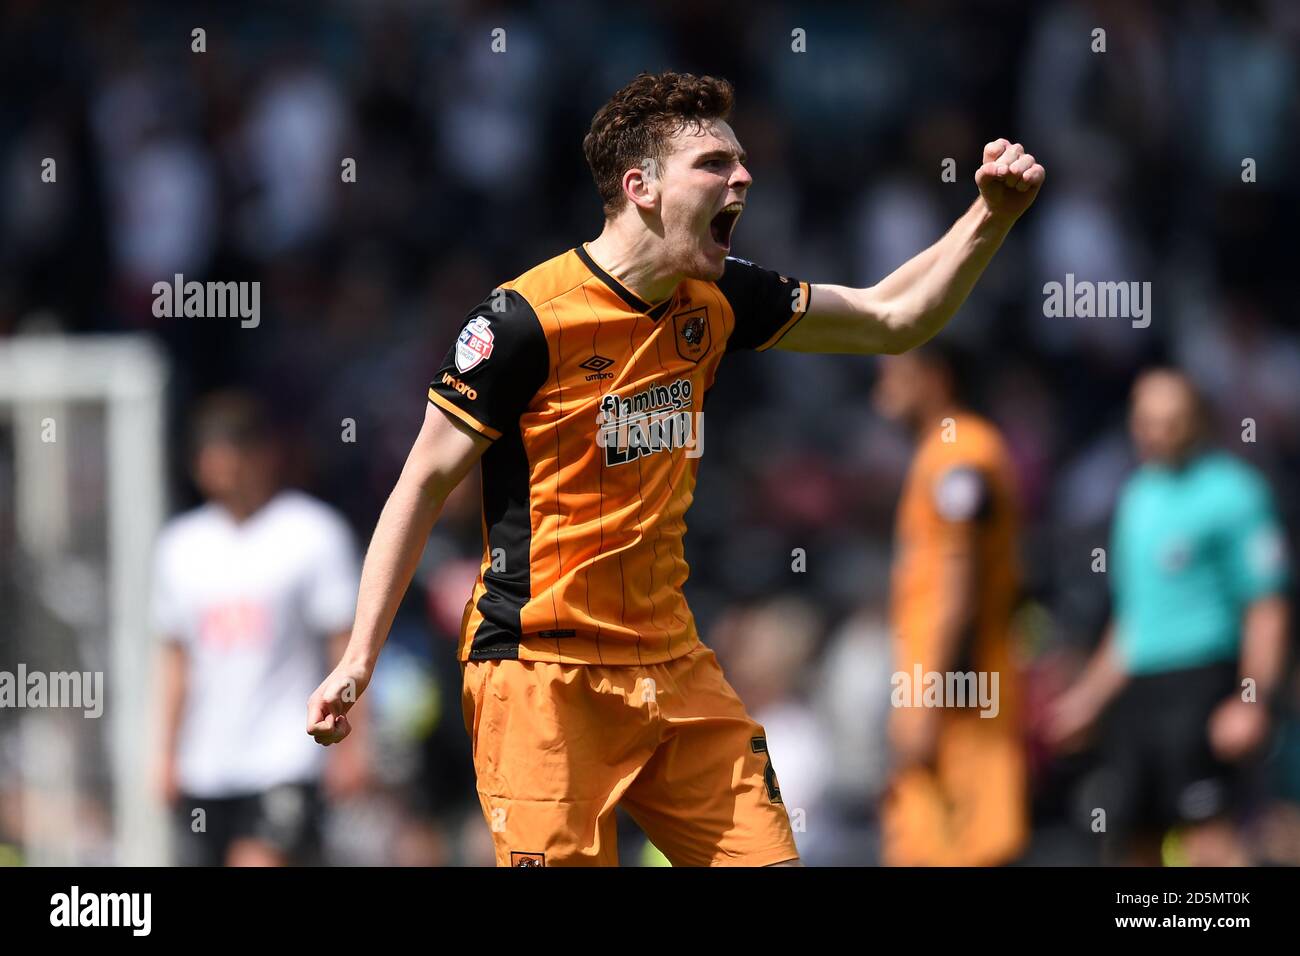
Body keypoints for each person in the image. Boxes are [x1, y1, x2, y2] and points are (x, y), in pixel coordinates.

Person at [308, 71, 1045, 867]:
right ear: (642, 187)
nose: (743, 178)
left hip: (672, 670)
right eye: (715, 164)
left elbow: (892, 318)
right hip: (542, 674)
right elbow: (419, 485)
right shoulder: (522, 322)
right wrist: (359, 656)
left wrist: (989, 216)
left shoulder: (717, 296)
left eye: (742, 162)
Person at [1048, 369, 1291, 865]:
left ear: (1196, 421)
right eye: (1147, 421)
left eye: (1171, 421)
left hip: (1204, 684)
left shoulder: (1236, 492)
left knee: (1211, 841)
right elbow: (1132, 620)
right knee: (1133, 842)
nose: (1157, 433)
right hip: (1142, 694)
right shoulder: (1137, 498)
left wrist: (1253, 699)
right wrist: (1089, 699)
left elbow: (1265, 606)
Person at [154, 391, 366, 866]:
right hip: (206, 764)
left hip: (286, 756)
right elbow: (175, 659)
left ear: (264, 454)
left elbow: (347, 649)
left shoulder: (312, 533)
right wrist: (165, 754)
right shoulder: (179, 547)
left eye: (233, 450)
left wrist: (353, 748)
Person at [873, 345, 1028, 865]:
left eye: (894, 375)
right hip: (943, 695)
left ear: (934, 377)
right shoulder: (941, 453)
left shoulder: (960, 452)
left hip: (958, 700)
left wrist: (930, 702)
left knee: (962, 849)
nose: (882, 391)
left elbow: (960, 586)